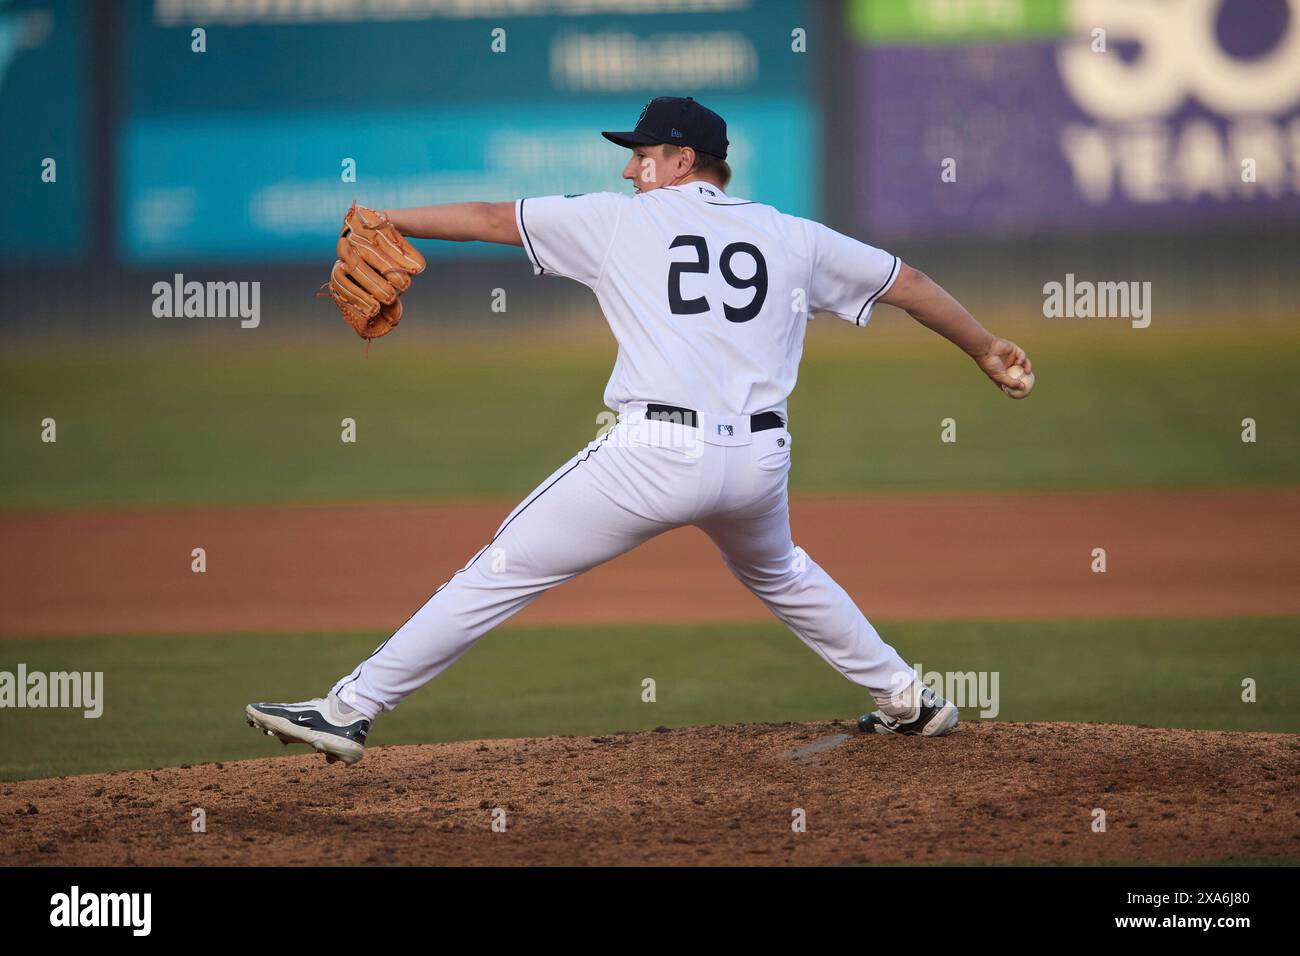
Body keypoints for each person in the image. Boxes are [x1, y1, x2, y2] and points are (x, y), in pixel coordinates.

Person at [246, 96, 1033, 765]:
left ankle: (348, 709)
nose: (630, 169)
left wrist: (392, 218)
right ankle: (908, 698)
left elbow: (491, 217)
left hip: (655, 456)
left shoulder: (618, 223)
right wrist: (987, 349)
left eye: (642, 154)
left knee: (501, 568)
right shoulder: (795, 235)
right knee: (782, 573)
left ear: (682, 159)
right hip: (759, 460)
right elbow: (911, 282)